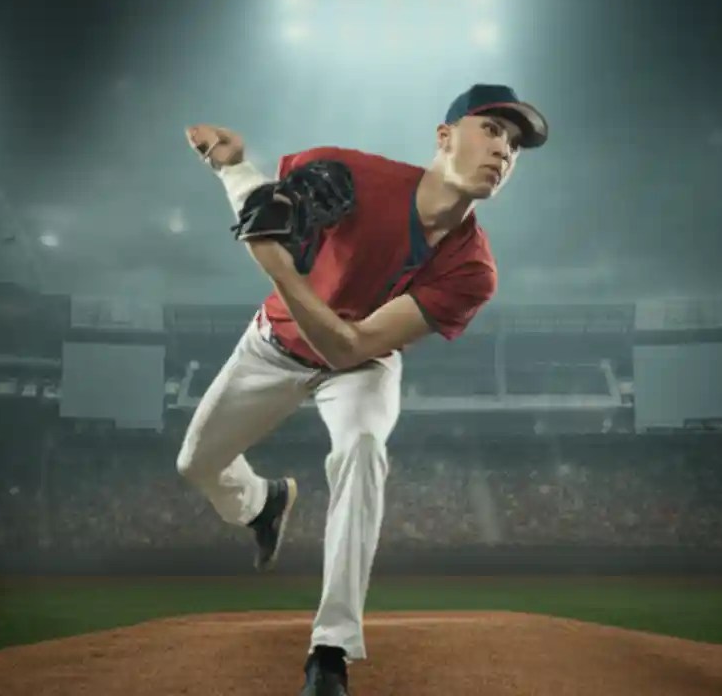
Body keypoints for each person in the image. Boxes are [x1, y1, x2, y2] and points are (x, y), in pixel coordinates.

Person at [176, 84, 548, 696]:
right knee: (195, 463)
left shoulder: (473, 270)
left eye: (514, 143)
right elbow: (262, 213)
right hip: (271, 347)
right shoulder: (352, 175)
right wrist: (233, 165)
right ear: (445, 136)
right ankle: (262, 504)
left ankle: (331, 650)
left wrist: (277, 268)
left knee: (364, 448)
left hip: (361, 365)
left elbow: (350, 347)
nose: (503, 150)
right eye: (491, 129)